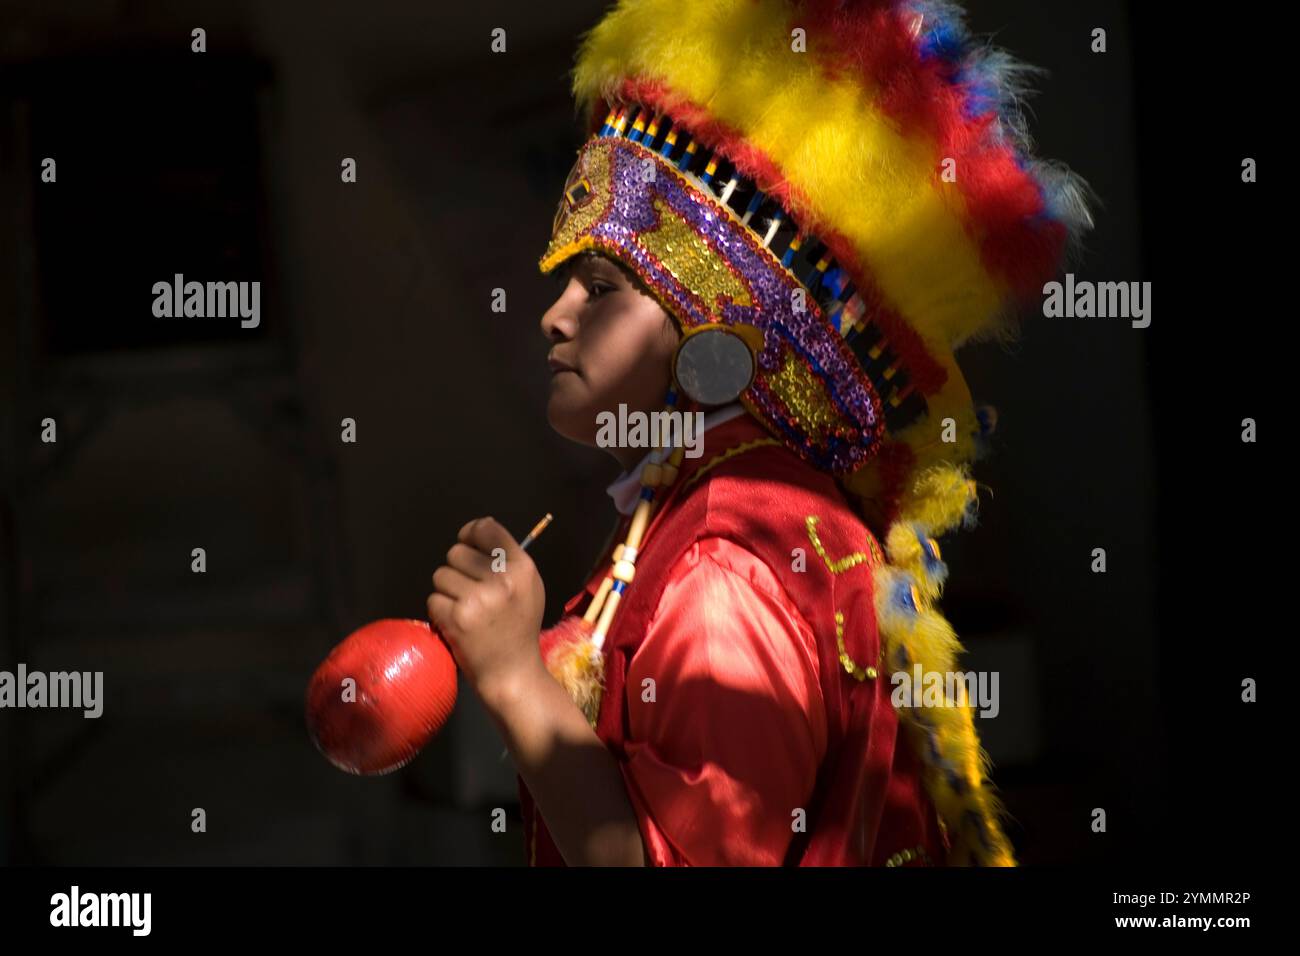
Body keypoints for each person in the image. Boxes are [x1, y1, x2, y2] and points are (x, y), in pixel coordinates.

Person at [426, 0, 1092, 866]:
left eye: (601, 289)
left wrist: (516, 676)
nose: (554, 318)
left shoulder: (726, 567)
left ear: (718, 331)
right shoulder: (702, 508)